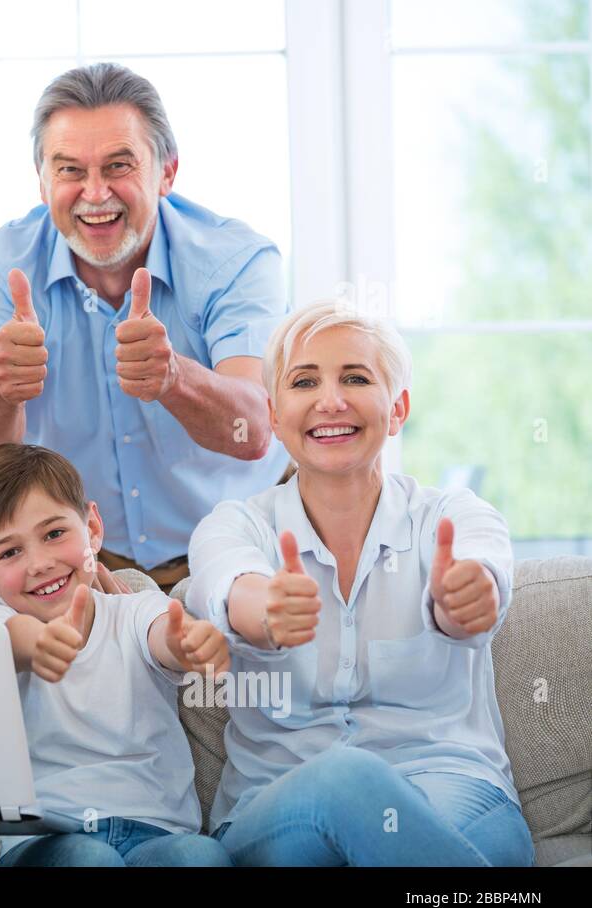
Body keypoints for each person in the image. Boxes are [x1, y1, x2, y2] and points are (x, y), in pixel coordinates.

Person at [186, 300, 533, 866]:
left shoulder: (456, 517)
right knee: (346, 781)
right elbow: (230, 586)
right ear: (273, 415)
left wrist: (462, 601)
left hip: (450, 787)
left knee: (481, 846)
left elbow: (482, 577)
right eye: (305, 382)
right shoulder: (235, 525)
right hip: (283, 806)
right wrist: (268, 609)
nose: (330, 399)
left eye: (356, 377)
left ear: (397, 409)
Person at [0, 62, 290, 587]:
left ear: (167, 172)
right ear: (42, 183)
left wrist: (174, 379)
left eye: (118, 166)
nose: (94, 193)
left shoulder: (236, 260)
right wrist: (1, 387)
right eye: (69, 170)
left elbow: (256, 431)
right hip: (81, 566)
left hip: (237, 550)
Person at [0, 443, 233, 867]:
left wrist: (185, 643)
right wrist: (39, 645)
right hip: (48, 840)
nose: (40, 563)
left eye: (54, 534)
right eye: (10, 552)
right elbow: (6, 643)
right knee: (89, 859)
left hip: (159, 832)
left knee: (199, 856)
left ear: (93, 529)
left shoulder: (134, 607)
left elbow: (161, 636)